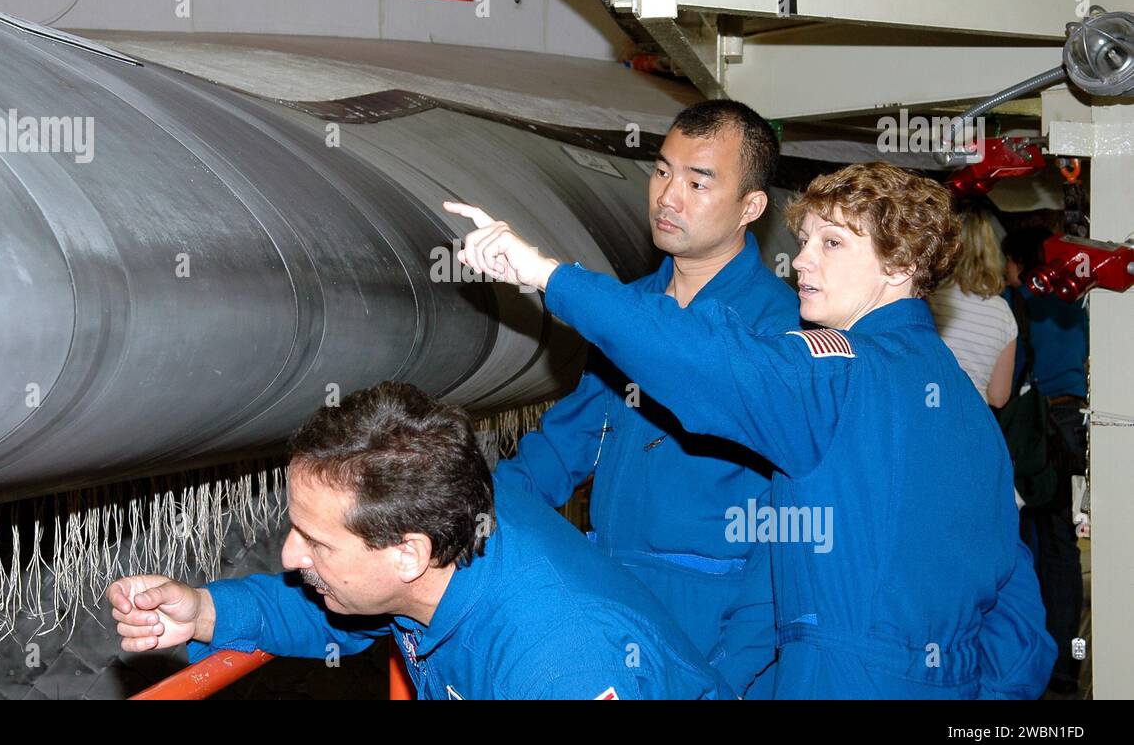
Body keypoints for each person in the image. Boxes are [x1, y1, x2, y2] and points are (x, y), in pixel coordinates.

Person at [448, 161, 1055, 699]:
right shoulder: (965, 405)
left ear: (900, 265)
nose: (804, 260)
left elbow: (702, 360)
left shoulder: (840, 373)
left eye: (834, 243)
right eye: (806, 240)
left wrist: (545, 273)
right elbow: (1015, 605)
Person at [107, 382, 728, 700]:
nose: (292, 555)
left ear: (409, 553)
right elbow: (341, 606)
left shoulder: (562, 666)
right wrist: (205, 611)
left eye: (316, 542)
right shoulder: (452, 526)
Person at [491, 100, 798, 697]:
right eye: (662, 172)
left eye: (698, 182)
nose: (668, 197)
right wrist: (458, 512)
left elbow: (785, 540)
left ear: (751, 207)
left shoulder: (779, 334)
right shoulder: (627, 312)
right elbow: (563, 448)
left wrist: (731, 675)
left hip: (719, 630)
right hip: (617, 608)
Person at [1002, 226, 1088, 695]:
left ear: (1019, 261)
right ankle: (1068, 663)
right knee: (1063, 548)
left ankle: (1025, 658)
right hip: (1073, 422)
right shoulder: (1074, 299)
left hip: (1035, 428)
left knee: (1019, 543)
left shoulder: (1020, 305)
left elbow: (1009, 380)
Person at [927, 204, 1017, 408]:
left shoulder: (928, 299)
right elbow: (998, 397)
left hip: (927, 413)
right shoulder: (1003, 312)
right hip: (972, 426)